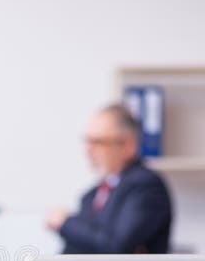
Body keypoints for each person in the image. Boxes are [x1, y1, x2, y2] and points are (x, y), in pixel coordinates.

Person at [46, 104, 172, 253]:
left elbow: (117, 247)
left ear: (128, 146)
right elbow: (80, 247)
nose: (88, 150)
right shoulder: (91, 195)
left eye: (98, 142)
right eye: (87, 141)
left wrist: (65, 223)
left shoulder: (146, 186)